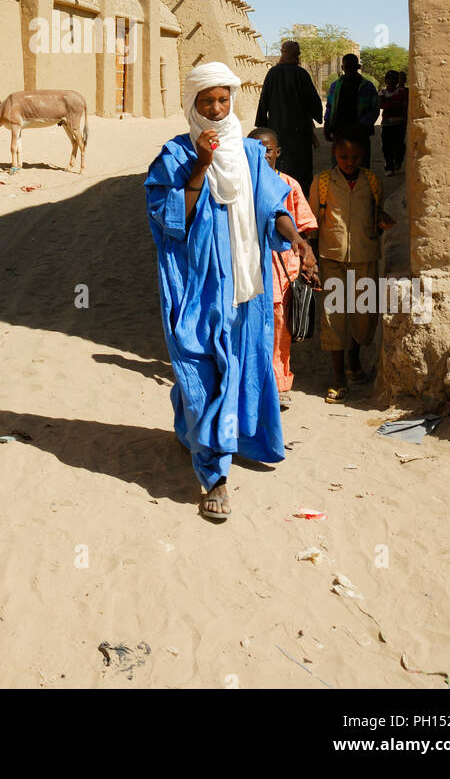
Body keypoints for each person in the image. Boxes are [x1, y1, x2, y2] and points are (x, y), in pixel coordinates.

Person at [145, 62, 318, 522]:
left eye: (223, 100)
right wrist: (202, 165)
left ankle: (212, 458)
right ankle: (213, 470)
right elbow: (169, 219)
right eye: (208, 101)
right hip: (196, 287)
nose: (217, 109)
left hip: (246, 288)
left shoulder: (250, 155)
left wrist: (296, 237)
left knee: (237, 369)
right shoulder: (176, 155)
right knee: (200, 371)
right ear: (193, 105)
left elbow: (271, 207)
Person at [312, 125, 394, 404]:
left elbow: (375, 214)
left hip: (364, 256)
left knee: (363, 314)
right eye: (344, 156)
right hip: (331, 258)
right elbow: (312, 223)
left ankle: (353, 359)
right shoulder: (322, 182)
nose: (349, 162)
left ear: (363, 156)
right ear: (334, 153)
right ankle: (338, 378)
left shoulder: (372, 182)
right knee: (334, 316)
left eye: (355, 157)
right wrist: (309, 258)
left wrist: (382, 220)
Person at [248, 128, 318, 412]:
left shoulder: (289, 185)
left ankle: (279, 383)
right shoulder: (240, 188)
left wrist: (306, 258)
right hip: (251, 268)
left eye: (267, 149)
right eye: (255, 150)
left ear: (277, 152)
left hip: (283, 271)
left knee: (280, 328)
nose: (262, 155)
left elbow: (303, 227)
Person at [254, 40, 323, 197]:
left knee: (279, 167)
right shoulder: (301, 74)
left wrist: (263, 128)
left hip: (277, 131)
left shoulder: (272, 74)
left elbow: (263, 102)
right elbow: (314, 103)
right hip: (300, 134)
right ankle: (300, 202)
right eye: (297, 53)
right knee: (301, 171)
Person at [323, 55, 379, 169]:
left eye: (353, 67)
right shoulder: (335, 86)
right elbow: (329, 106)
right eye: (347, 67)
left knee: (361, 168)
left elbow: (374, 109)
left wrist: (363, 125)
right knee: (337, 168)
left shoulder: (367, 87)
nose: (349, 70)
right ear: (342, 67)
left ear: (358, 67)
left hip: (360, 134)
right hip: (339, 132)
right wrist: (327, 123)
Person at [378, 70, 409, 174]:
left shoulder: (401, 91)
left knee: (399, 145)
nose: (391, 81)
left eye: (394, 79)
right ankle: (389, 166)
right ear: (385, 80)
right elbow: (381, 104)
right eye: (389, 79)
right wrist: (395, 103)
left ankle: (398, 161)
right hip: (387, 125)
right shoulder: (383, 92)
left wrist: (391, 102)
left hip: (399, 124)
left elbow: (402, 103)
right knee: (387, 146)